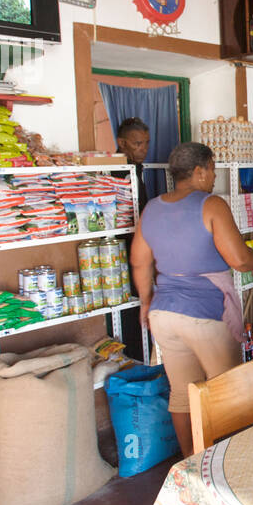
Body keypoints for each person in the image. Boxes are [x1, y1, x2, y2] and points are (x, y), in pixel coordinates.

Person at [131, 142, 253, 455]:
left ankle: (192, 463)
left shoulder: (151, 208)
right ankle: (230, 463)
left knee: (182, 394)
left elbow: (139, 262)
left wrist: (145, 301)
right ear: (198, 170)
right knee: (226, 390)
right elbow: (237, 259)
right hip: (205, 312)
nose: (214, 175)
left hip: (163, 313)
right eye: (212, 168)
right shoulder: (211, 204)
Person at [116, 117, 151, 361]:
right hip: (124, 250)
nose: (143, 149)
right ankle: (133, 358)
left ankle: (141, 357)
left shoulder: (136, 170)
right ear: (121, 143)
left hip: (139, 247)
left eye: (146, 143)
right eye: (137, 143)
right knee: (129, 307)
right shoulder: (117, 172)